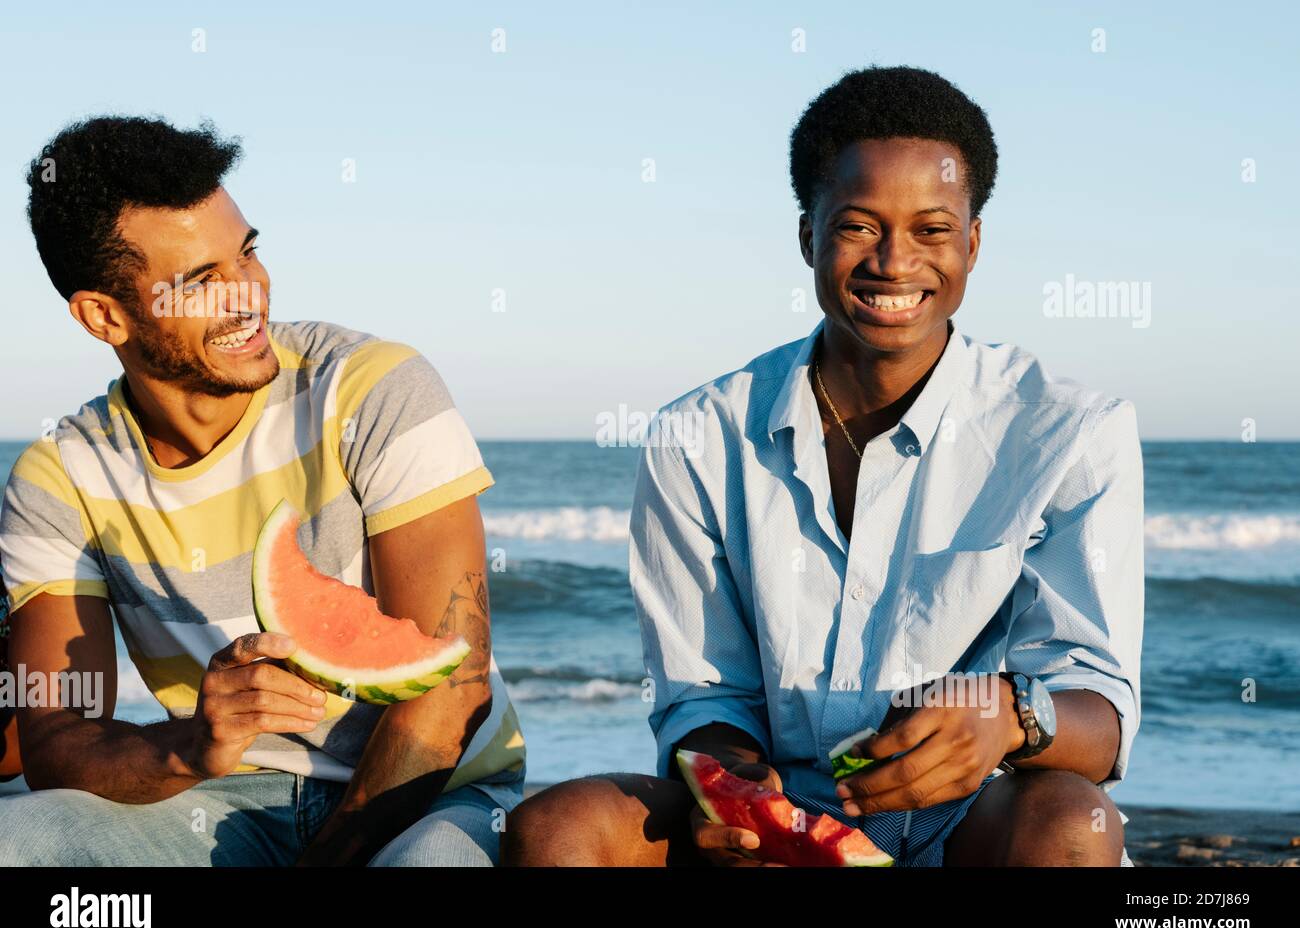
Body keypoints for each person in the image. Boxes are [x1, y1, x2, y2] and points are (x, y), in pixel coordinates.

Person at [504, 66, 1142, 867]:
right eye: (859, 226)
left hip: (971, 813)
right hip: (777, 804)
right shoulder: (696, 435)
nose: (895, 262)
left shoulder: (1071, 431)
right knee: (556, 828)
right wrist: (733, 793)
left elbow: (1102, 714)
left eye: (932, 230)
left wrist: (1010, 717)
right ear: (808, 233)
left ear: (973, 243)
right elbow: (705, 696)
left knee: (1072, 821)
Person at [0, 116, 525, 865]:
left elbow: (452, 691)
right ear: (104, 314)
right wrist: (189, 746)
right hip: (220, 802)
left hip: (431, 792)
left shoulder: (372, 387)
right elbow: (57, 740)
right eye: (200, 282)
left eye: (246, 253)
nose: (247, 296)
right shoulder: (60, 476)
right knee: (15, 839)